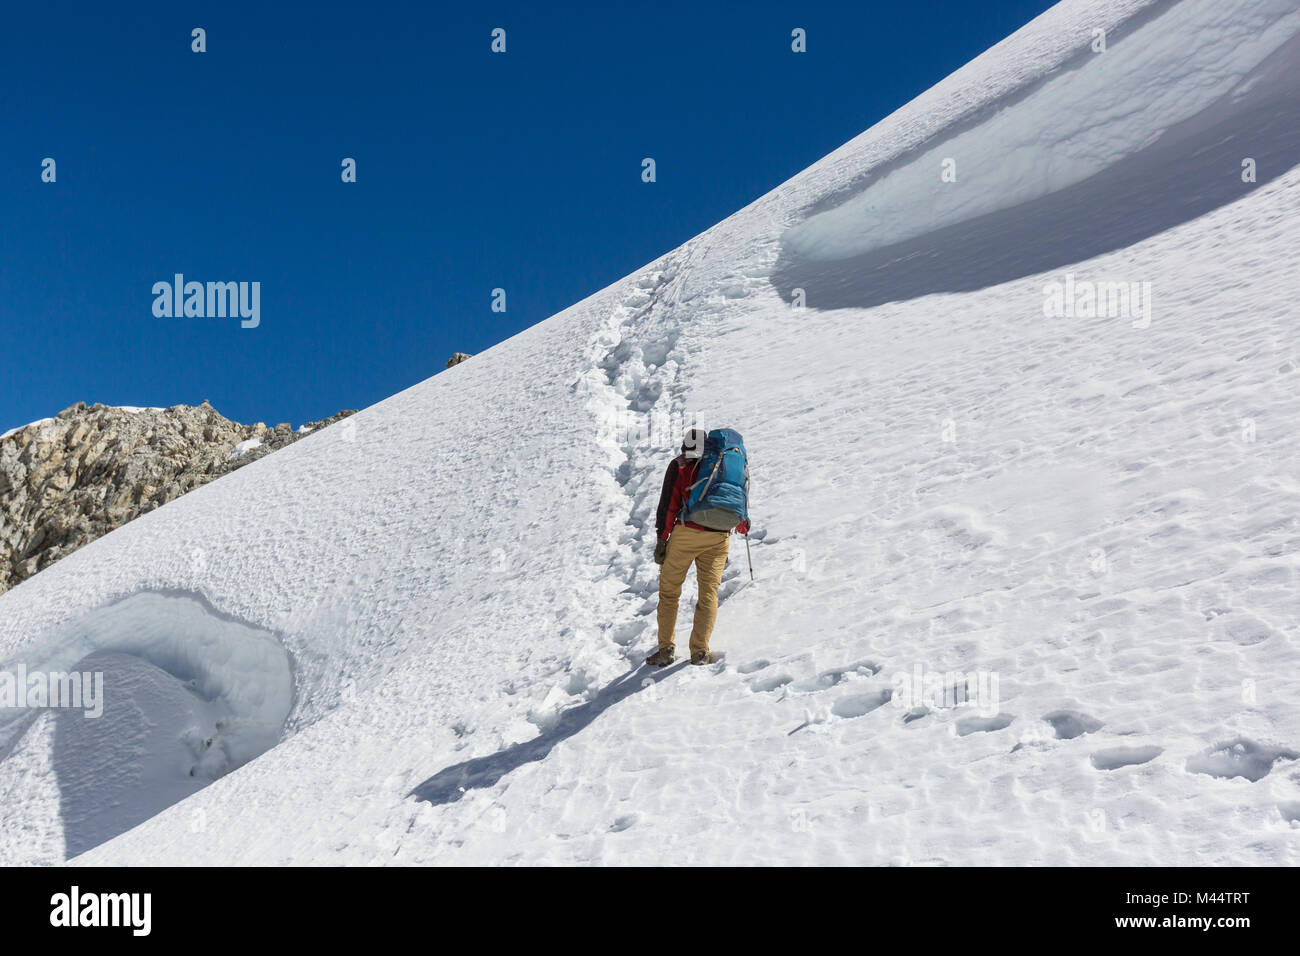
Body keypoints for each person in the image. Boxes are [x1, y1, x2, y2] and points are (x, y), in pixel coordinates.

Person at [646, 428, 749, 666]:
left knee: (670, 592)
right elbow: (739, 502)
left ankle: (666, 650)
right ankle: (700, 651)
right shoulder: (723, 467)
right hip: (719, 537)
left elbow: (668, 507)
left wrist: (662, 540)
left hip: (686, 533)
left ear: (685, 446)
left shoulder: (681, 465)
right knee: (709, 593)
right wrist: (742, 526)